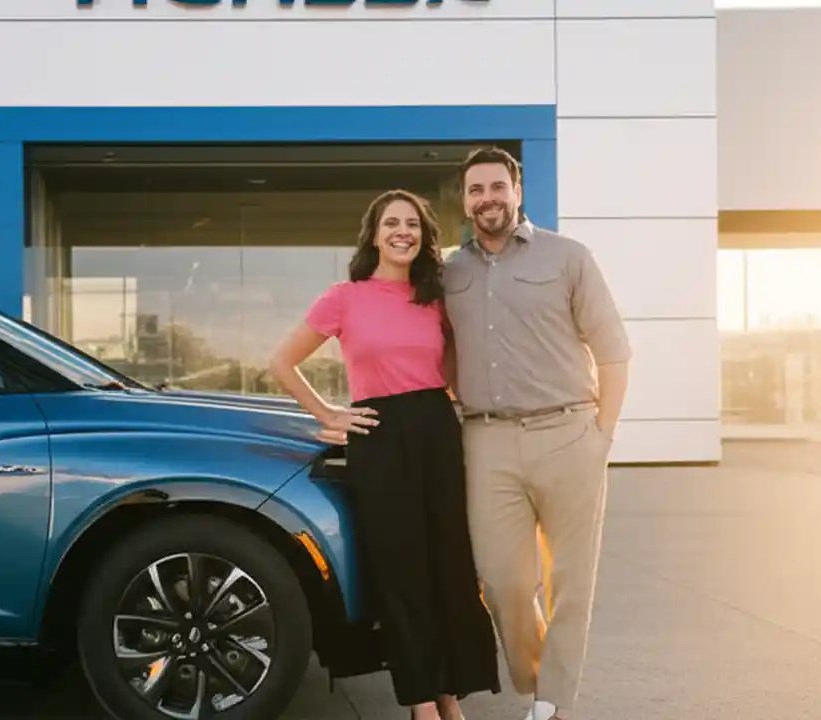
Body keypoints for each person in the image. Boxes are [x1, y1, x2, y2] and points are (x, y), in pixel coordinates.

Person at [268, 189, 501, 720]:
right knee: (400, 575)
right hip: (380, 434)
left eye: (414, 224)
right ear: (374, 233)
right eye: (392, 222)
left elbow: (458, 369)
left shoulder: (435, 295)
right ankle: (421, 701)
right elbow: (282, 362)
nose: (404, 231)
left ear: (424, 236)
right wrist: (329, 413)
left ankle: (450, 696)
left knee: (450, 568)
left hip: (438, 431)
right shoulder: (344, 297)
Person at [442, 147, 631, 720]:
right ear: (465, 199)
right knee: (502, 581)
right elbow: (438, 351)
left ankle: (551, 702)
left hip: (569, 432)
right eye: (476, 190)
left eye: (497, 187)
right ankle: (535, 675)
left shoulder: (569, 257)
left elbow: (614, 351)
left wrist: (602, 436)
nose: (487, 199)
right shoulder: (449, 270)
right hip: (487, 441)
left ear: (517, 192)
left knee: (572, 580)